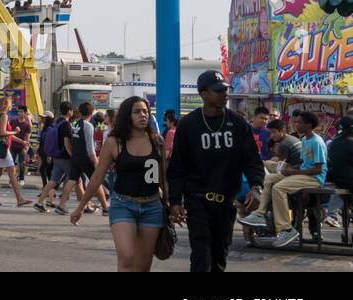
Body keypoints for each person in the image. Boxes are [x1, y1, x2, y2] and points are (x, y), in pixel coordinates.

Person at [167, 70, 264, 272]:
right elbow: (177, 166)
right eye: (218, 90)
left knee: (220, 257)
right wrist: (175, 201)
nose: (224, 94)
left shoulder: (237, 123)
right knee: (201, 255)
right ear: (203, 94)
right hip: (197, 201)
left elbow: (252, 160)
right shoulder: (188, 124)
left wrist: (256, 186)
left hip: (226, 202)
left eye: (225, 89)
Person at [71, 96, 165, 271]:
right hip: (123, 205)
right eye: (137, 112)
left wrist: (171, 203)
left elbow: (164, 177)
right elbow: (98, 176)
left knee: (144, 266)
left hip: (152, 207)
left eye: (145, 111)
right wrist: (81, 207)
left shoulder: (157, 142)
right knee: (127, 258)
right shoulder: (114, 142)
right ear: (126, 116)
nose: (143, 115)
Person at [240, 110, 327, 248]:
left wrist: (292, 172)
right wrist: (289, 168)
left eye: (299, 122)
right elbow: (304, 164)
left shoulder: (317, 142)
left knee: (279, 188)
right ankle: (260, 214)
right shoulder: (304, 139)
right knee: (269, 179)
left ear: (309, 125)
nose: (296, 125)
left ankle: (286, 229)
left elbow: (318, 169)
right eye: (296, 122)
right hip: (302, 174)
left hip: (314, 178)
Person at [0, 97, 31, 206]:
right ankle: (19, 199)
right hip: (4, 148)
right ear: (6, 105)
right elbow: (3, 133)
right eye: (10, 103)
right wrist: (15, 131)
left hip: (1, 147)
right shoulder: (4, 116)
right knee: (12, 173)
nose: (12, 105)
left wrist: (22, 141)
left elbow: (6, 134)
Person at [36, 104, 73, 211]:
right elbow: (66, 142)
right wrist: (72, 155)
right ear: (69, 111)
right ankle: (63, 205)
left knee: (53, 181)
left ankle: (39, 202)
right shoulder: (65, 124)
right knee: (76, 180)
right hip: (65, 157)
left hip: (56, 155)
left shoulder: (56, 122)